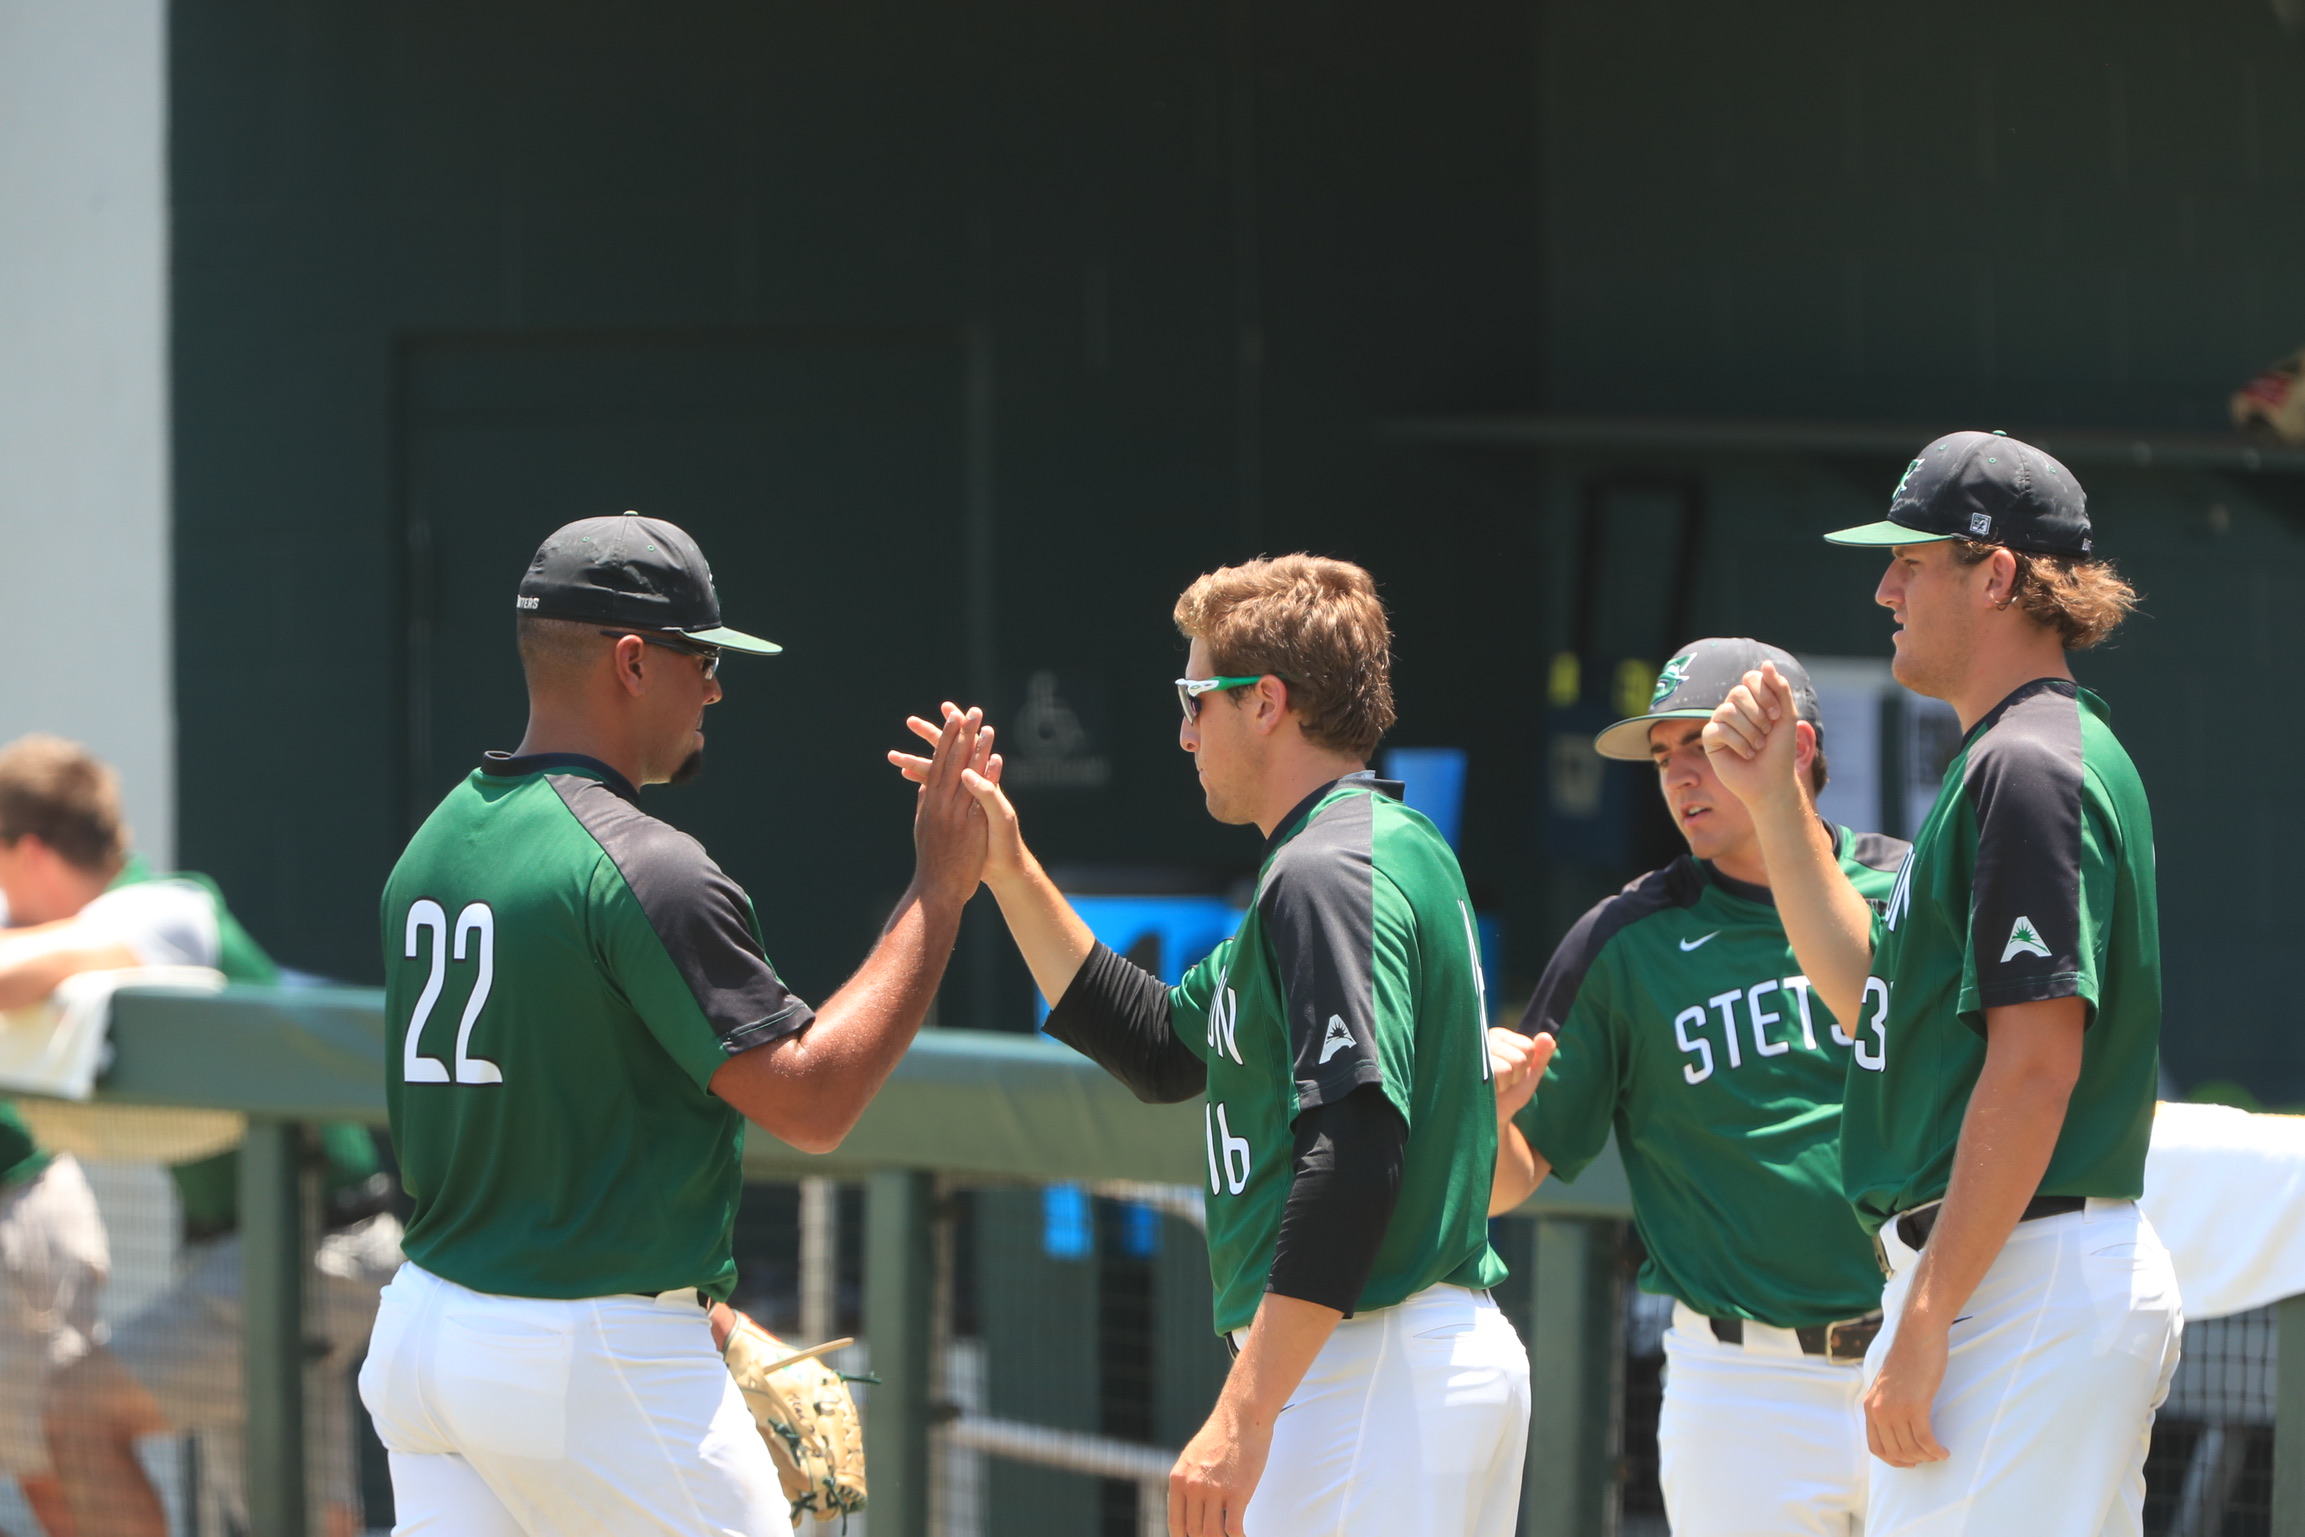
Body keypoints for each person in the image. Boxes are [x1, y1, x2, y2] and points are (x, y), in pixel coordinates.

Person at [360, 511, 989, 1535]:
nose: (716, 686)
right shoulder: (645, 864)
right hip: (585, 1354)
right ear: (631, 661)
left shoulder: (435, 843)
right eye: (700, 658)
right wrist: (939, 889)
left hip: (429, 1332)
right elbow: (815, 1100)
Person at [896, 554, 1529, 1537]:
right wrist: (1009, 869)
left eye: (1196, 698)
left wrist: (1244, 1412)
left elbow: (1355, 1146)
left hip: (1368, 1366)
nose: (1184, 730)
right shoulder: (1367, 848)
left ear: (1266, 701)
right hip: (1398, 1364)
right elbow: (1158, 1045)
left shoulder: (1327, 870)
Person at [1703, 432, 2179, 1535]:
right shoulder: (2015, 755)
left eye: (1910, 561)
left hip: (2020, 1275)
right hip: (2018, 1268)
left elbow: (2034, 1064)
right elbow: (1870, 998)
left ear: (1996, 574)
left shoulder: (2026, 763)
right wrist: (1778, 808)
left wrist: (1927, 1311)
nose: (1884, 586)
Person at [1487, 638, 1905, 1537]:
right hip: (1747, 1388)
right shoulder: (1624, 938)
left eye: (1706, 747)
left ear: (1793, 748)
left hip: (1927, 1348)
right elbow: (1510, 1173)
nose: (1681, 776)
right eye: (1663, 755)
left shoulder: (1904, 889)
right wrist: (1485, 1116)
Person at [0, 735, 397, 1537]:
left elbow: (13, 971)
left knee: (78, 1414)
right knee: (294, 1517)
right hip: (259, 1251)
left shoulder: (164, 905)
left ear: (32, 852)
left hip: (313, 1246)